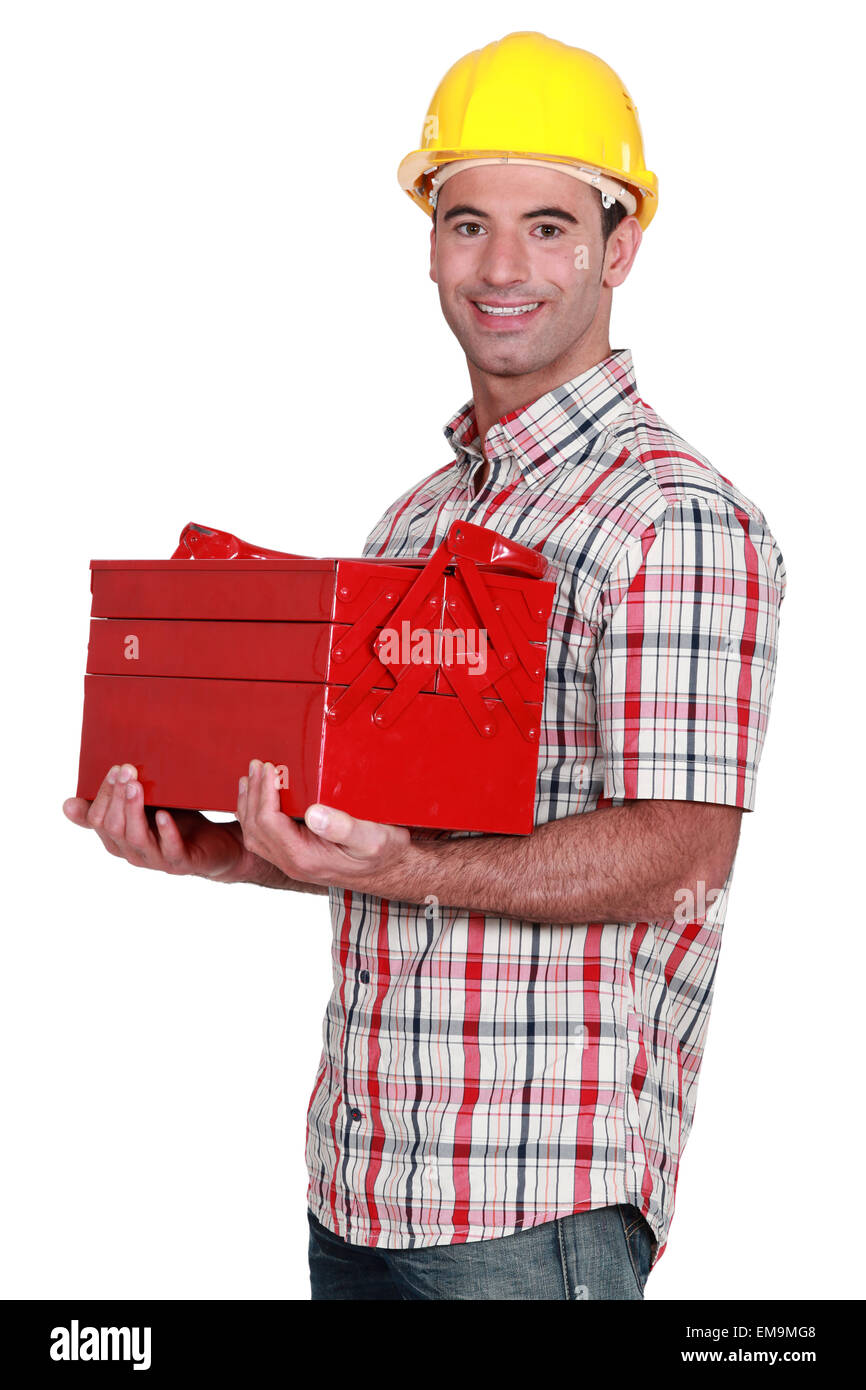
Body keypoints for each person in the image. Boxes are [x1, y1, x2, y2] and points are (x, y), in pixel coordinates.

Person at [63, 31, 787, 1300]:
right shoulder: (412, 523)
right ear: (429, 240)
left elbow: (683, 850)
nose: (501, 268)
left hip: (529, 1207)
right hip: (357, 1180)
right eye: (466, 223)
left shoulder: (672, 518)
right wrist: (239, 846)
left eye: (549, 226)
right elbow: (389, 839)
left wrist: (402, 863)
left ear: (619, 250)